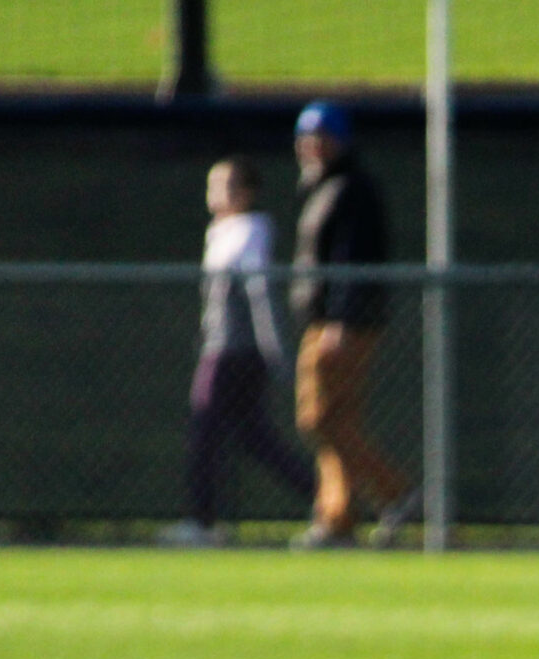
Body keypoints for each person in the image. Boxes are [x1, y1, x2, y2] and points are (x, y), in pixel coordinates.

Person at [165, 158, 315, 548]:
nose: (217, 195)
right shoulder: (220, 231)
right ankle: (326, 498)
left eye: (228, 187)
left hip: (234, 354)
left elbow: (260, 296)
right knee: (254, 437)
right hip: (219, 347)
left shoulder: (250, 231)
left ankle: (200, 521)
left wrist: (274, 351)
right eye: (213, 186)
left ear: (248, 194)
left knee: (204, 431)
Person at [289, 101, 416, 550]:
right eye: (306, 138)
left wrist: (342, 320)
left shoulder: (351, 188)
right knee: (336, 420)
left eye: (321, 137)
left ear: (340, 141)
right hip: (324, 320)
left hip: (343, 323)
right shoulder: (325, 187)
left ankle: (397, 494)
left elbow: (351, 259)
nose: (311, 147)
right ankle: (337, 517)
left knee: (320, 419)